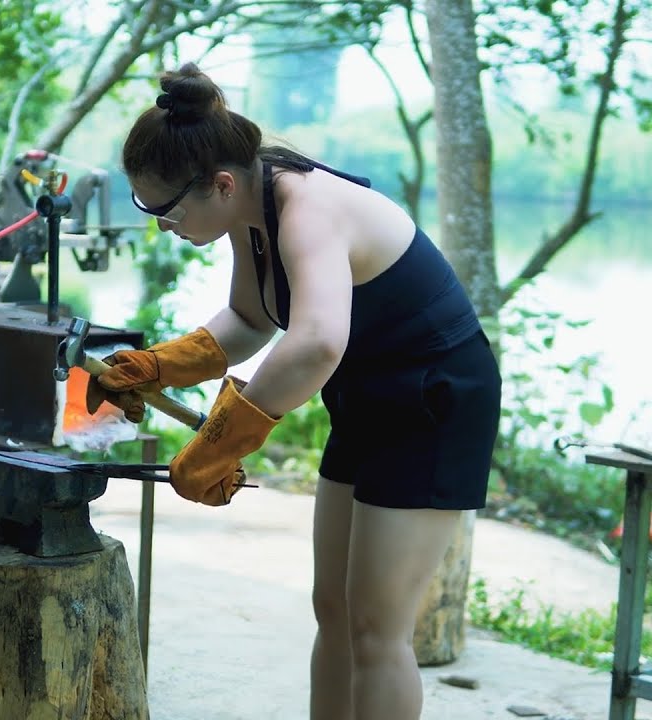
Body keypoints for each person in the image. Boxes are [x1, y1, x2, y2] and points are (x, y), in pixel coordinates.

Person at [87, 63, 502, 720]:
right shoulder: (250, 209)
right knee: (332, 608)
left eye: (164, 209)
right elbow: (252, 320)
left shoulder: (307, 209)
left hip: (432, 401)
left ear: (220, 184)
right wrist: (158, 365)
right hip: (366, 395)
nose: (161, 224)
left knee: (377, 628)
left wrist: (222, 440)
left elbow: (316, 342)